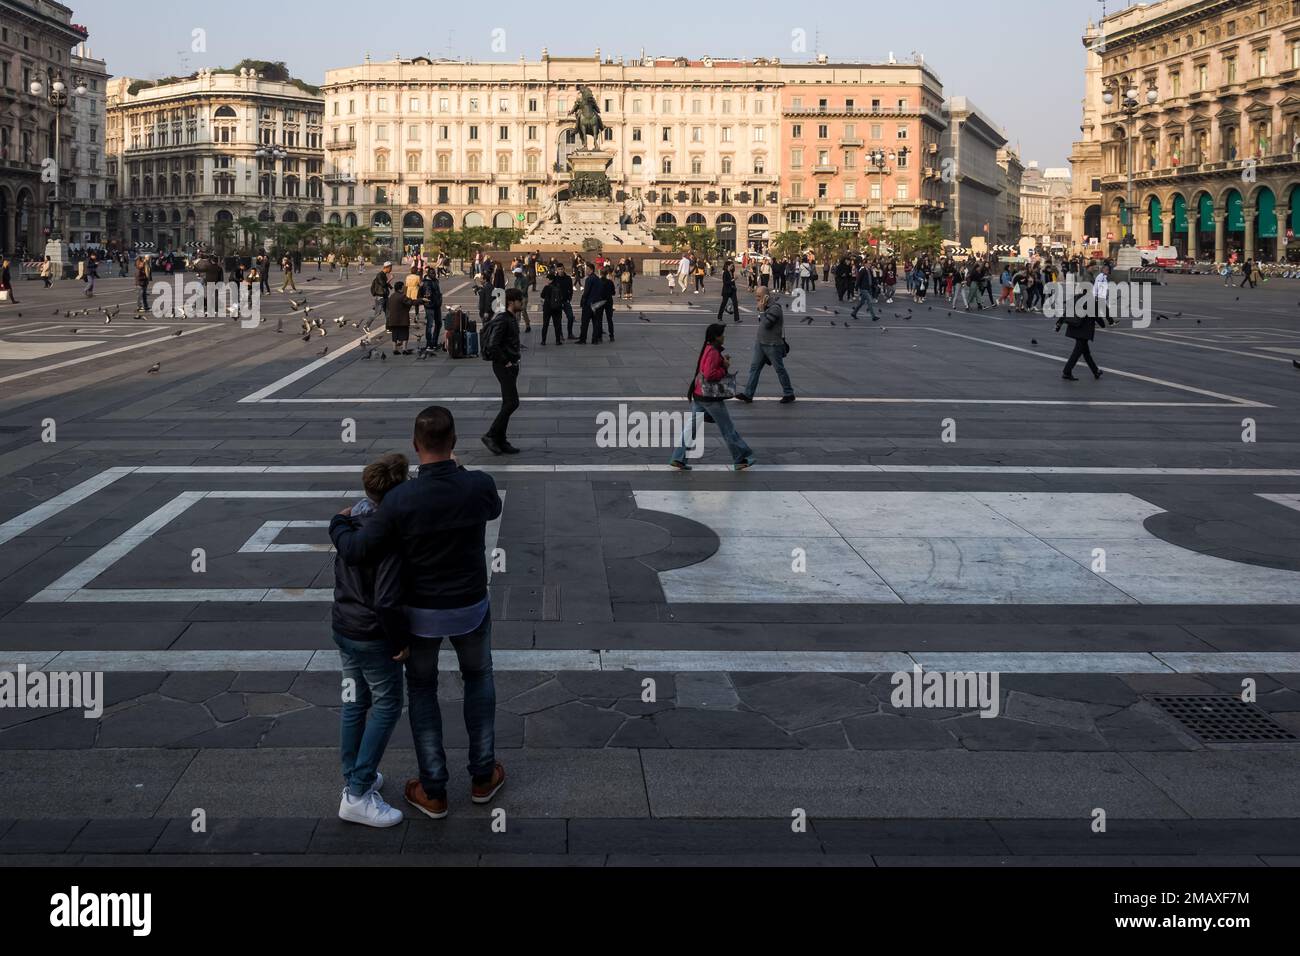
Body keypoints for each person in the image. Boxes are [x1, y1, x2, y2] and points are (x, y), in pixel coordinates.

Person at [330, 407, 506, 821]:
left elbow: (356, 550)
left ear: (414, 445)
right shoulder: (478, 485)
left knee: (423, 691)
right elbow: (492, 509)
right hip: (469, 607)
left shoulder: (399, 499)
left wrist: (337, 523)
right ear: (455, 441)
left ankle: (434, 789)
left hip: (421, 614)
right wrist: (458, 471)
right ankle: (483, 777)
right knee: (479, 679)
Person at [331, 453, 412, 828]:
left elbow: (341, 533)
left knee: (354, 700)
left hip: (344, 627)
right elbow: (386, 599)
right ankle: (358, 793)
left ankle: (355, 776)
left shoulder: (350, 522)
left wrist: (336, 520)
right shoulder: (388, 533)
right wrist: (399, 641)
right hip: (371, 634)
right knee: (387, 704)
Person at [669, 323, 755, 471]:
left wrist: (723, 363)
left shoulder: (708, 348)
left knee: (691, 428)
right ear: (716, 337)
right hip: (710, 398)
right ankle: (741, 458)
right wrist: (724, 369)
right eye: (722, 334)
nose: (724, 336)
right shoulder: (713, 352)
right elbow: (709, 375)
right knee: (727, 428)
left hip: (699, 395)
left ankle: (678, 458)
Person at [480, 288, 523, 454]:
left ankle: (501, 439)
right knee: (513, 402)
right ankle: (491, 435)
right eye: (520, 300)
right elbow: (493, 344)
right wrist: (506, 362)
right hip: (504, 365)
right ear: (511, 302)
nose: (522, 303)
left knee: (508, 402)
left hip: (510, 364)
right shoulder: (503, 319)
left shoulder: (510, 318)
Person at [736, 286, 795, 404]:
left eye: (759, 296)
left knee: (779, 369)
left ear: (766, 296)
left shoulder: (775, 309)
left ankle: (789, 393)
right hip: (761, 343)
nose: (756, 298)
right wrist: (761, 310)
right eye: (756, 296)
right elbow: (762, 322)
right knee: (754, 368)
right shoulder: (766, 306)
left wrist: (762, 310)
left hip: (772, 344)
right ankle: (748, 394)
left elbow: (766, 324)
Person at [577, 262, 607, 344]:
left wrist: (583, 301)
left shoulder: (589, 279)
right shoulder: (598, 279)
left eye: (587, 269)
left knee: (585, 323)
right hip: (597, 304)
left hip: (589, 304)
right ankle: (595, 339)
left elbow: (586, 292)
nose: (585, 270)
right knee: (596, 322)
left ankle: (583, 339)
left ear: (591, 270)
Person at [539, 269, 565, 346]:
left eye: (547, 279)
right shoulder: (558, 286)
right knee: (557, 324)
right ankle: (557, 341)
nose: (547, 280)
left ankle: (543, 341)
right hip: (557, 308)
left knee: (545, 324)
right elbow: (561, 297)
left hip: (547, 308)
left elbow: (542, 295)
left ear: (551, 280)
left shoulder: (547, 287)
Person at [421, 267, 443, 352]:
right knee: (430, 325)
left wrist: (439, 299)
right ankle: (429, 343)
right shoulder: (426, 283)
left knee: (439, 323)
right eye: (432, 273)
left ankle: (434, 342)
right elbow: (427, 294)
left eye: (434, 273)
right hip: (430, 306)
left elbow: (437, 292)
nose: (434, 274)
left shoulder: (436, 281)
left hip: (437, 305)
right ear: (428, 274)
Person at [387, 283, 412, 355]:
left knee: (395, 333)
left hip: (393, 319)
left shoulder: (392, 296)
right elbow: (410, 302)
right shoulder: (402, 296)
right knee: (405, 333)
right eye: (403, 287)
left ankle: (394, 349)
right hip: (402, 319)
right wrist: (421, 300)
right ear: (400, 288)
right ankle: (404, 349)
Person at [367, 262, 392, 332]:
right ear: (387, 267)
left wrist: (391, 286)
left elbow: (386, 284)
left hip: (385, 296)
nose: (391, 269)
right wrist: (390, 279)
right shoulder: (380, 275)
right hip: (380, 297)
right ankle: (366, 325)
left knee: (388, 312)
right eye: (391, 268)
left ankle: (388, 327)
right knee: (377, 313)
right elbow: (383, 284)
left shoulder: (384, 275)